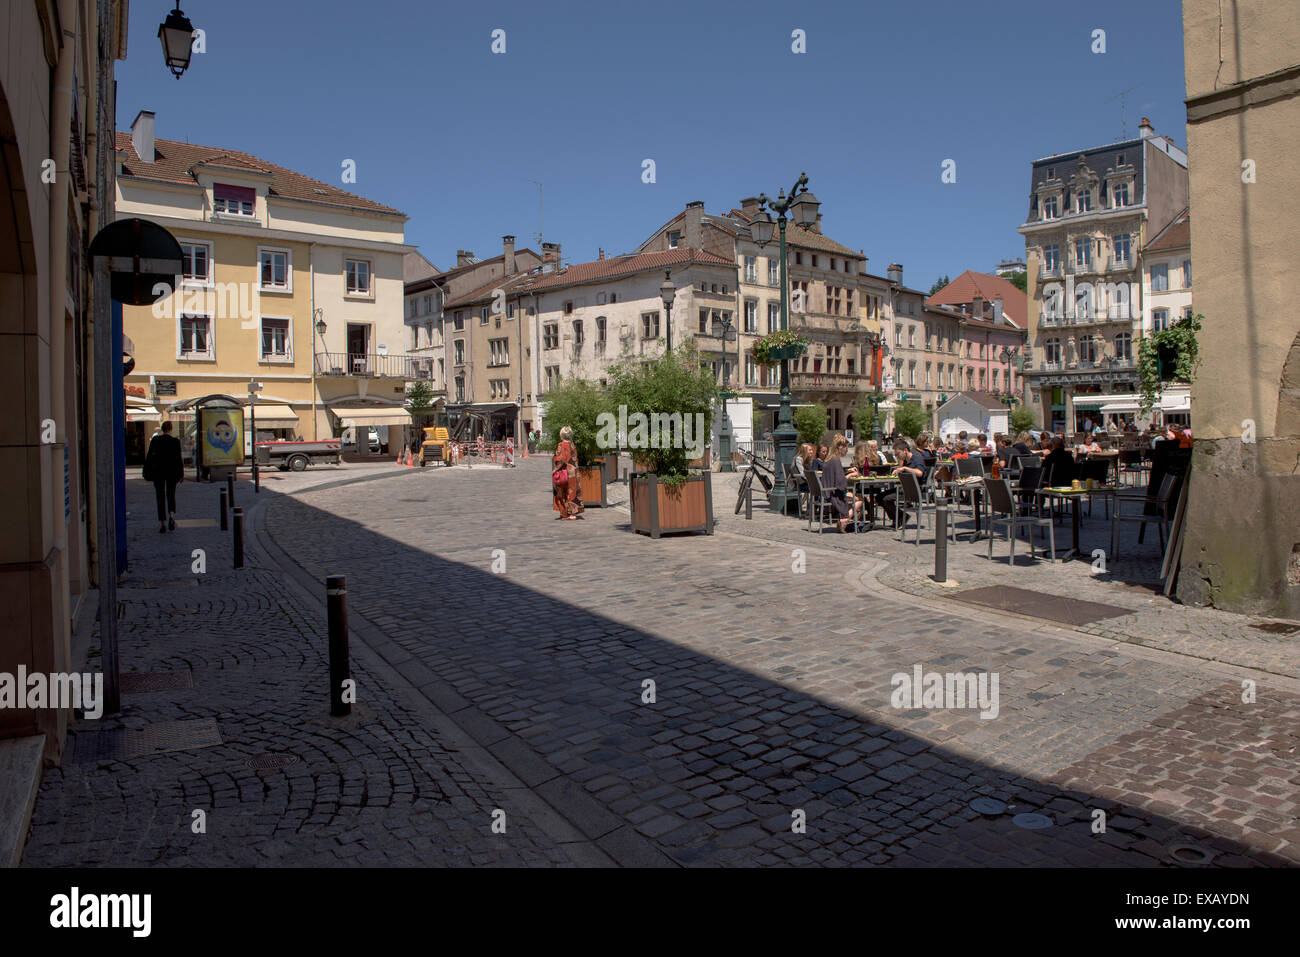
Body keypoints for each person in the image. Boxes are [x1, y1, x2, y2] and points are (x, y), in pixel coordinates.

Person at [143, 421, 185, 533]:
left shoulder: (156, 440)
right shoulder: (175, 441)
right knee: (171, 494)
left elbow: (149, 457)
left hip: (158, 472)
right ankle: (171, 516)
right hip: (172, 472)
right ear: (171, 429)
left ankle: (162, 523)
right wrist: (181, 473)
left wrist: (146, 471)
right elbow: (178, 458)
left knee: (160, 496)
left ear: (162, 428)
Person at [818, 434, 861, 532]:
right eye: (846, 447)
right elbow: (840, 484)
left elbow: (836, 477)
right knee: (860, 500)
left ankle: (844, 519)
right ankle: (844, 521)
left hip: (826, 492)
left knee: (854, 497)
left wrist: (846, 471)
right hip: (834, 494)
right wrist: (850, 475)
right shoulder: (836, 461)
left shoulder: (829, 459)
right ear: (840, 447)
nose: (847, 450)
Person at [551, 426, 584, 519]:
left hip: (564, 472)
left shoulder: (561, 445)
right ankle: (572, 513)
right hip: (573, 472)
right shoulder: (572, 445)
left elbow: (561, 459)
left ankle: (565, 514)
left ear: (561, 435)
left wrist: (555, 469)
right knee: (572, 492)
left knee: (562, 492)